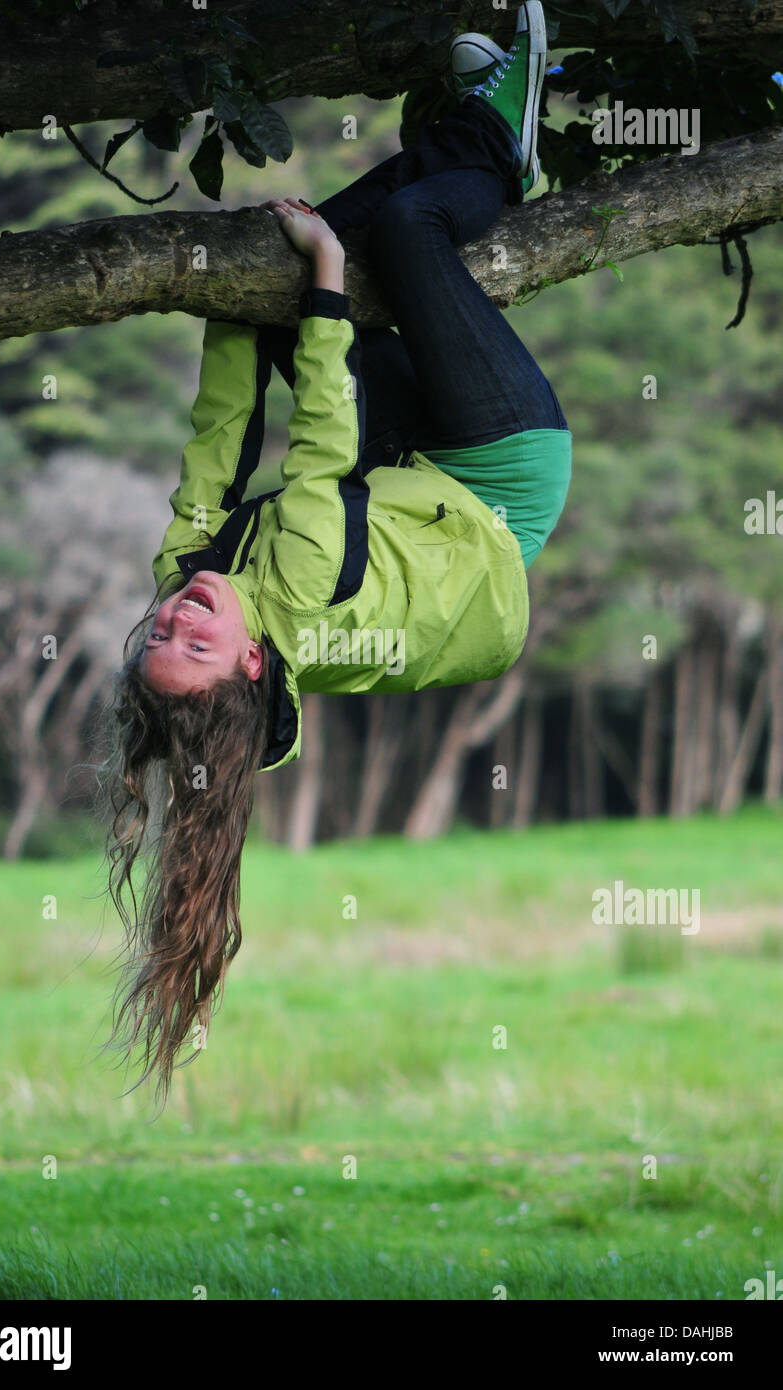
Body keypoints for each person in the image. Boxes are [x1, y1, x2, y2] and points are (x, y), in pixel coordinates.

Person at [104, 2, 570, 1101]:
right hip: (495, 479)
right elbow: (316, 446)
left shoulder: (193, 579)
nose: (179, 613)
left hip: (401, 484)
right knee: (398, 236)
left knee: (289, 275)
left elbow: (215, 452)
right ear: (252, 664)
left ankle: (471, 135)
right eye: (195, 640)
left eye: (160, 632)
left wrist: (235, 307)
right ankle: (495, 140)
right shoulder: (296, 598)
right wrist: (316, 276)